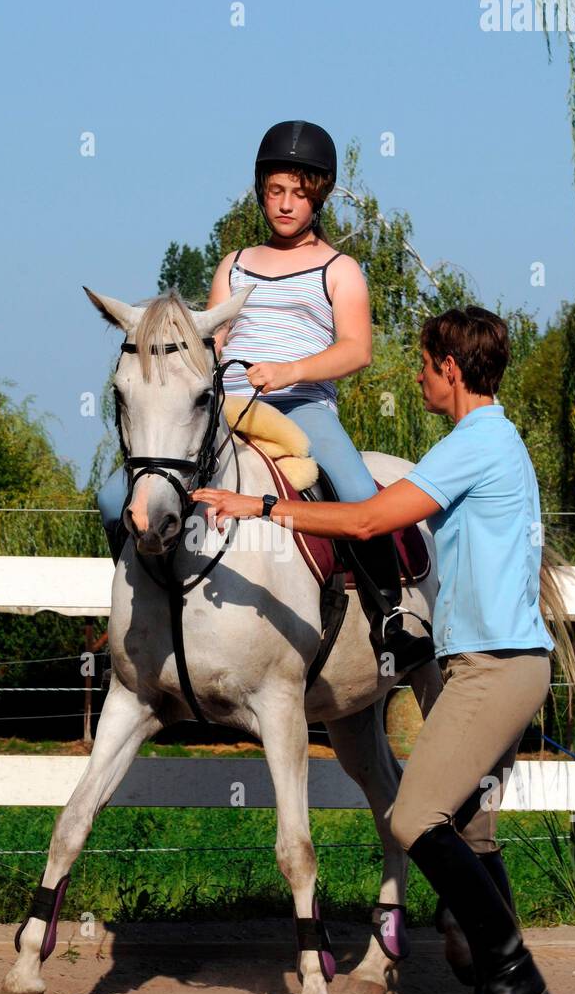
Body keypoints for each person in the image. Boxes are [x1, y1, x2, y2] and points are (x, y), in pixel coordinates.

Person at [190, 306, 555, 994]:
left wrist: (259, 506)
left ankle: (514, 974)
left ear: (451, 369)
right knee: (473, 836)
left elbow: (365, 523)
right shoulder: (492, 440)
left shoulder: (477, 441)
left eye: (424, 364)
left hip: (495, 668)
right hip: (499, 664)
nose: (418, 376)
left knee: (414, 816)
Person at [96, 119, 434, 674]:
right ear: (261, 191)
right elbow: (213, 340)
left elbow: (356, 350)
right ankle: (139, 609)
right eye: (275, 191)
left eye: (299, 194)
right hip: (229, 407)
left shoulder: (339, 268)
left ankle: (391, 614)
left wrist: (290, 370)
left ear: (318, 196)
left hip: (304, 407)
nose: (285, 204)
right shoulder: (234, 264)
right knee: (116, 497)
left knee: (354, 489)